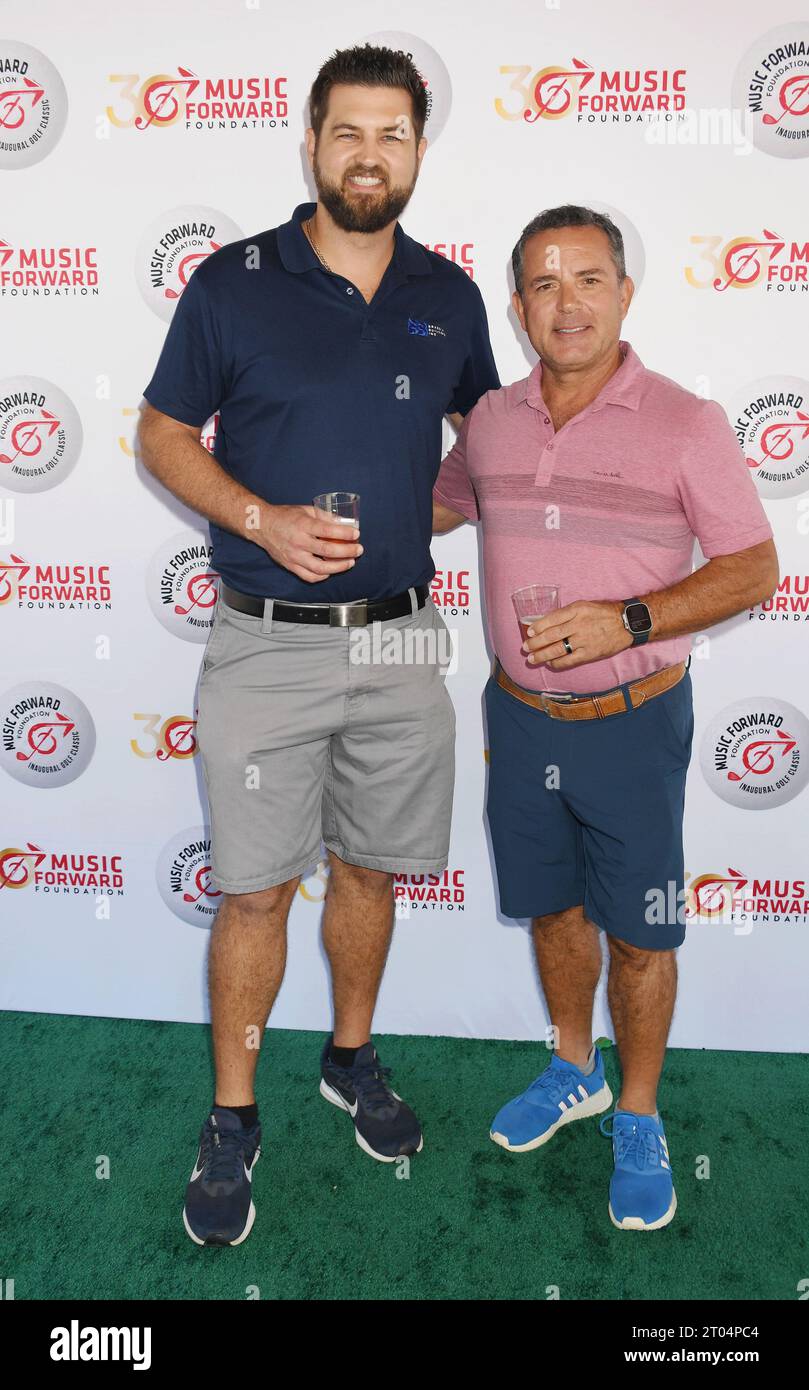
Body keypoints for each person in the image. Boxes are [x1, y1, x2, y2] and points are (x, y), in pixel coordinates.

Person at [138, 43, 499, 1247]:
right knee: (249, 893)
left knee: (371, 871)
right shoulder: (234, 281)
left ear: (416, 150)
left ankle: (350, 1057)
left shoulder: (448, 294)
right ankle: (232, 1114)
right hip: (265, 646)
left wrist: (422, 510)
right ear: (309, 141)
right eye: (348, 132)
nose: (368, 155)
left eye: (392, 135)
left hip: (401, 642)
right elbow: (162, 431)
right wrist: (255, 517)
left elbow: (484, 450)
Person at [432, 205, 778, 1231]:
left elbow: (753, 567)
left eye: (587, 278)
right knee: (551, 907)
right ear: (516, 306)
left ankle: (635, 1109)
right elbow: (441, 502)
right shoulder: (490, 418)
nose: (565, 302)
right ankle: (573, 1066)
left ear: (624, 293)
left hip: (634, 720)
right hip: (521, 717)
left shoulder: (685, 420)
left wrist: (628, 616)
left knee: (639, 933)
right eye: (542, 283)